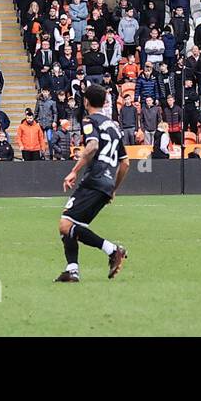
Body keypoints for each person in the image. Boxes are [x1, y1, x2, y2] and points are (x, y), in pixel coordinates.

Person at [56, 85, 129, 282]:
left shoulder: (89, 120)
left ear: (86, 101)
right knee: (72, 225)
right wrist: (113, 189)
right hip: (106, 183)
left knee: (65, 224)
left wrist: (74, 171)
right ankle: (72, 270)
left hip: (94, 179)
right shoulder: (114, 126)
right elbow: (125, 162)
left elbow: (93, 145)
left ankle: (113, 250)